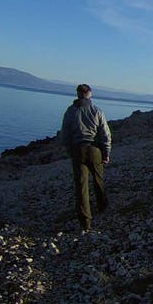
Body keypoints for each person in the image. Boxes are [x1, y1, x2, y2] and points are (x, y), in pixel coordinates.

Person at [60, 83, 112, 232]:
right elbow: (105, 135)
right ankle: (103, 206)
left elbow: (65, 135)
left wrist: (71, 152)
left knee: (81, 186)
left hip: (78, 150)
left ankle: (85, 222)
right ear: (90, 94)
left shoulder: (70, 112)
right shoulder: (97, 111)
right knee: (98, 179)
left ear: (77, 94)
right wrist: (106, 153)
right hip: (95, 149)